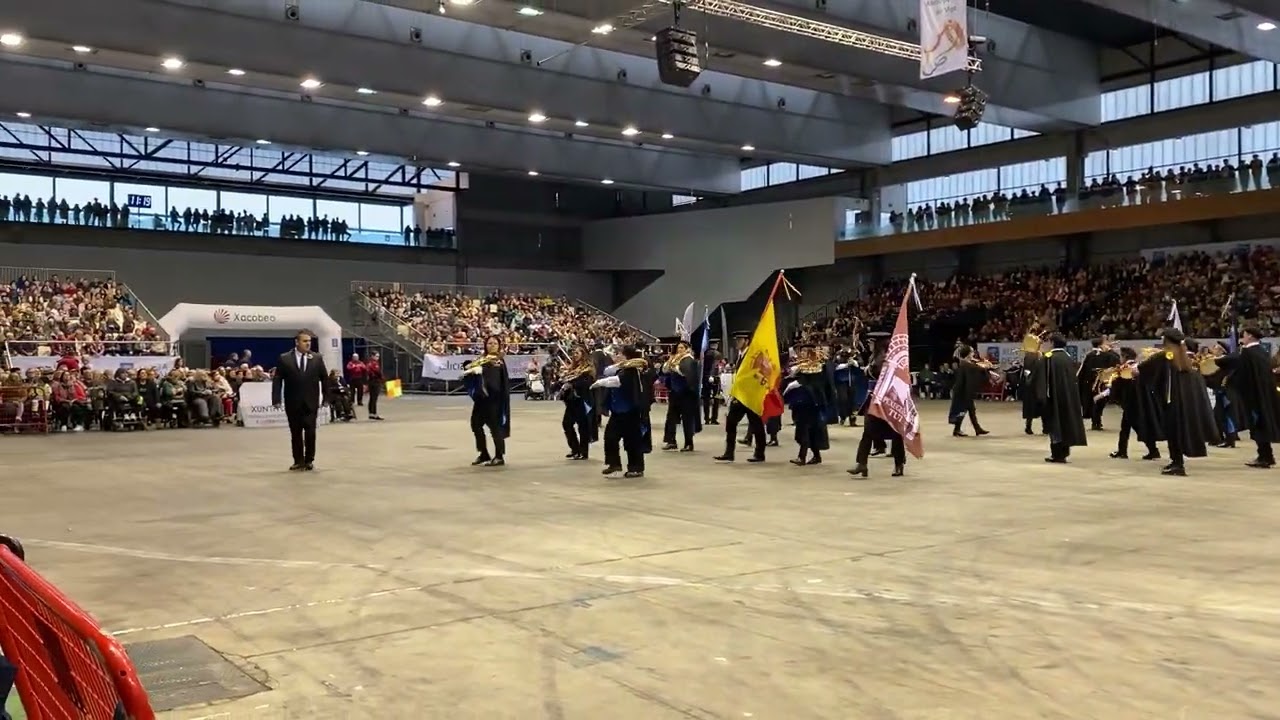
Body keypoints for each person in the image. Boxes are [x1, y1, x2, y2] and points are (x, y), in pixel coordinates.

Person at [1143, 329, 1218, 476]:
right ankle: (1177, 462)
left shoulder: (1167, 356)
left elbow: (1145, 369)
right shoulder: (1186, 360)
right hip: (1184, 404)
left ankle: (1177, 464)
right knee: (1177, 433)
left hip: (1172, 403)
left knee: (1173, 433)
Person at [1215, 325, 1280, 468]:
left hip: (1254, 396)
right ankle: (1266, 455)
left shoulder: (1248, 353)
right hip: (1265, 394)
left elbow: (1234, 364)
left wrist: (1218, 360)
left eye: (1243, 335)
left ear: (1250, 335)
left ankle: (1264, 457)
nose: (1242, 337)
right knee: (1262, 424)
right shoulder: (1262, 352)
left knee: (1257, 426)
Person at [271, 330, 329, 471]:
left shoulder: (317, 358)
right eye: (304, 341)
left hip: (311, 402)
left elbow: (325, 379)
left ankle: (309, 460)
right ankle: (298, 460)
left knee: (310, 432)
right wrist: (276, 399)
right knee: (295, 433)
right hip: (292, 402)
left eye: (309, 341)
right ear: (297, 342)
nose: (308, 343)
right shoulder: (284, 359)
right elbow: (278, 380)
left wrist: (326, 398)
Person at [593, 345, 654, 478]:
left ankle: (636, 467)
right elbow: (609, 372)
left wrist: (601, 382)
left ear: (626, 356)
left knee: (632, 440)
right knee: (610, 437)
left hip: (630, 411)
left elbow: (618, 382)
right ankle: (614, 464)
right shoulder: (620, 369)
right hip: (617, 411)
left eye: (619, 354)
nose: (616, 356)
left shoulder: (632, 370)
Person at [847, 351, 906, 478]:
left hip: (887, 398)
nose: (871, 345)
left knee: (895, 432)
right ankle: (861, 463)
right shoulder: (874, 356)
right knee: (868, 431)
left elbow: (881, 375)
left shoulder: (886, 358)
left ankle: (899, 463)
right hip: (873, 397)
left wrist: (866, 369)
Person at [714, 332, 766, 463]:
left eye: (740, 340)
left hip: (751, 395)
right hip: (740, 395)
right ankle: (729, 452)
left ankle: (760, 453)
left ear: (747, 341)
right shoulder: (740, 355)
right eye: (736, 340)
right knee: (731, 422)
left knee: (756, 424)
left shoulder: (753, 355)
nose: (737, 342)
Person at [1037, 333, 1087, 463]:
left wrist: (1041, 398)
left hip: (1053, 397)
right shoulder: (1068, 358)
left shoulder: (1048, 357)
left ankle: (1056, 453)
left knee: (1055, 425)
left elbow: (1042, 379)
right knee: (1066, 424)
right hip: (1069, 397)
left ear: (1052, 343)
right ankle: (1064, 453)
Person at [1104, 347, 1160, 460]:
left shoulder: (1125, 369)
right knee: (1128, 427)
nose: (1120, 359)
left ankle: (1150, 450)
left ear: (1125, 357)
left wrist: (1108, 391)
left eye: (1121, 356)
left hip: (1130, 403)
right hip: (1140, 402)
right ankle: (1124, 450)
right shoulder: (1139, 367)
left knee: (1134, 427)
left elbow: (1118, 386)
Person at [781, 343, 832, 466]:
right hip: (802, 402)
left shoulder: (819, 367)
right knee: (811, 430)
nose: (802, 353)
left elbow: (819, 385)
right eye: (801, 351)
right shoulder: (802, 365)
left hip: (811, 402)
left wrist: (800, 383)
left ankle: (801, 457)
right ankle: (816, 456)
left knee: (804, 429)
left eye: (804, 351)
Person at [463, 336, 510, 467]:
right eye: (489, 343)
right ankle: (483, 453)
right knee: (476, 425)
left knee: (495, 428)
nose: (492, 345)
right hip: (481, 399)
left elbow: (494, 379)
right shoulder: (482, 359)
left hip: (494, 399)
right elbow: (471, 367)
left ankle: (499, 456)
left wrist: (482, 371)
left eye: (495, 343)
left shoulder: (498, 361)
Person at [660, 339, 701, 452]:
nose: (679, 350)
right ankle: (671, 440)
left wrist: (676, 368)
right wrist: (669, 363)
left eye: (682, 348)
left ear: (687, 349)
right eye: (678, 348)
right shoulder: (674, 359)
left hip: (686, 393)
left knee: (687, 419)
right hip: (675, 392)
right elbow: (665, 371)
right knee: (671, 417)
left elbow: (687, 374)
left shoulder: (689, 360)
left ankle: (689, 443)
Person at [559, 345, 597, 460]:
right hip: (572, 401)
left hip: (583, 400)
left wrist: (572, 384)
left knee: (583, 427)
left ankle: (583, 452)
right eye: (574, 353)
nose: (575, 355)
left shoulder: (588, 369)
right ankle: (575, 449)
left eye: (577, 353)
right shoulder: (572, 369)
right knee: (567, 424)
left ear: (583, 355)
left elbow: (586, 383)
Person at [948, 345, 990, 437]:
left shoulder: (966, 363)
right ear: (967, 354)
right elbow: (978, 369)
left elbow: (977, 368)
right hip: (962, 391)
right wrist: (985, 367)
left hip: (963, 390)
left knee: (969, 409)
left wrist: (984, 367)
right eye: (971, 352)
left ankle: (974, 429)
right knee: (963, 410)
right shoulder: (966, 364)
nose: (973, 353)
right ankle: (962, 429)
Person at [1020, 331, 1046, 435]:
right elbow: (1027, 371)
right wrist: (1028, 381)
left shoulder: (1039, 355)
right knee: (1034, 406)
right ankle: (1029, 427)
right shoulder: (1030, 356)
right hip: (1032, 385)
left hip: (1038, 383)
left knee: (1042, 407)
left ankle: (1044, 427)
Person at [702, 340, 722, 425]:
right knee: (716, 398)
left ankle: (706, 418)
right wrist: (712, 375)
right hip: (715, 378)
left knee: (706, 398)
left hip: (705, 378)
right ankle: (714, 418)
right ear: (716, 345)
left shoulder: (705, 353)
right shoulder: (717, 354)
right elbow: (715, 366)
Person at [365, 351, 385, 420]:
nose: (378, 358)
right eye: (376, 356)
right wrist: (382, 378)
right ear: (372, 356)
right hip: (375, 381)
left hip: (371, 381)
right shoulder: (373, 364)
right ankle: (374, 413)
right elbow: (378, 372)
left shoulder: (369, 364)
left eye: (378, 356)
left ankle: (371, 413)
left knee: (372, 398)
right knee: (374, 398)